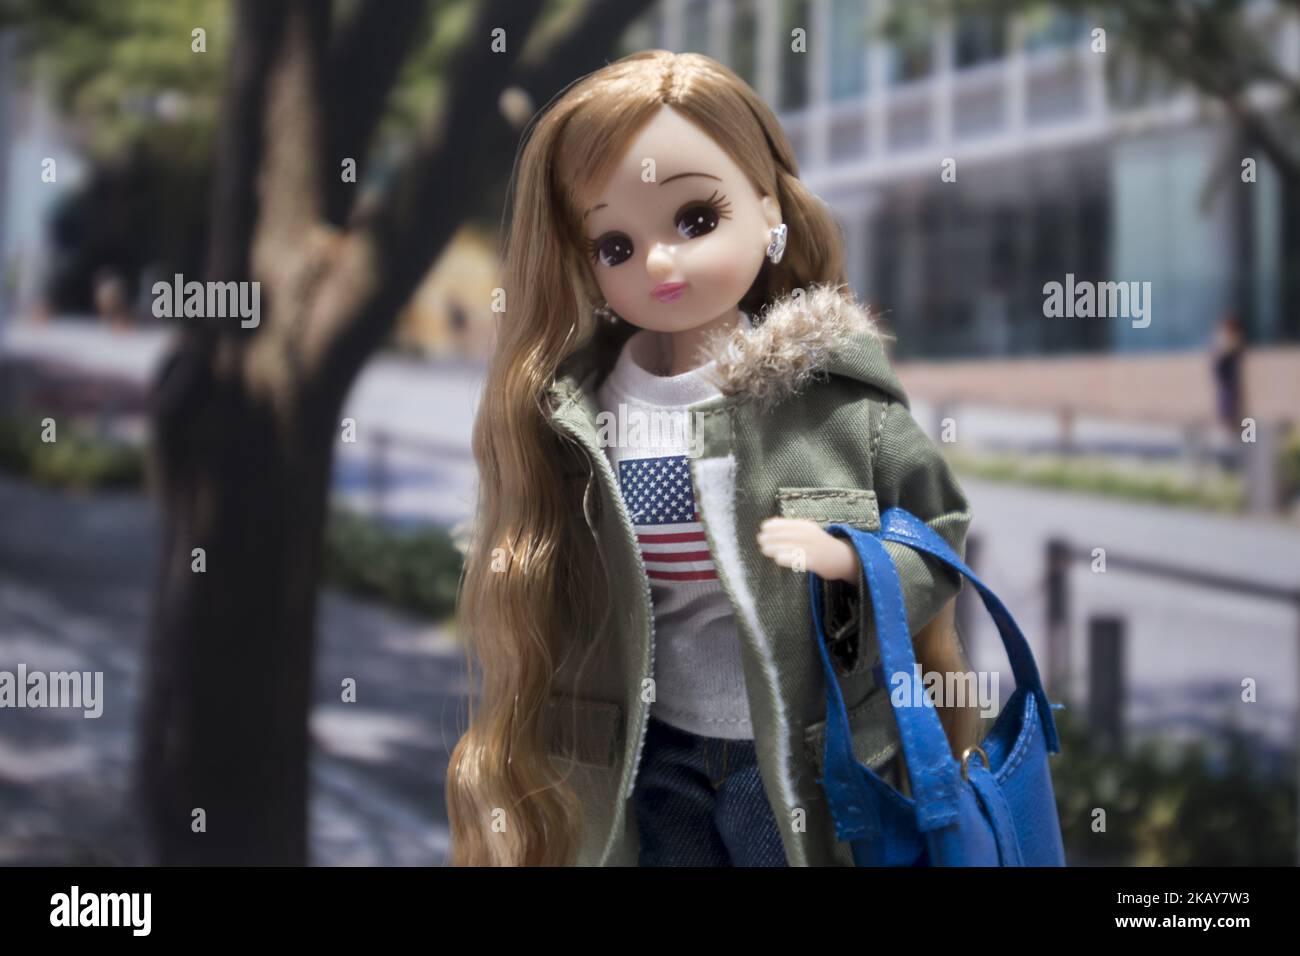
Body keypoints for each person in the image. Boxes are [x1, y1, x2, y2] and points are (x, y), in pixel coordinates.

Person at [447, 50, 979, 867]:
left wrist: (850, 565)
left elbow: (939, 534)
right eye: (614, 244)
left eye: (696, 219)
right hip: (651, 756)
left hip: (798, 764)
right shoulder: (576, 418)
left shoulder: (832, 400)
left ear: (768, 209)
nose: (659, 262)